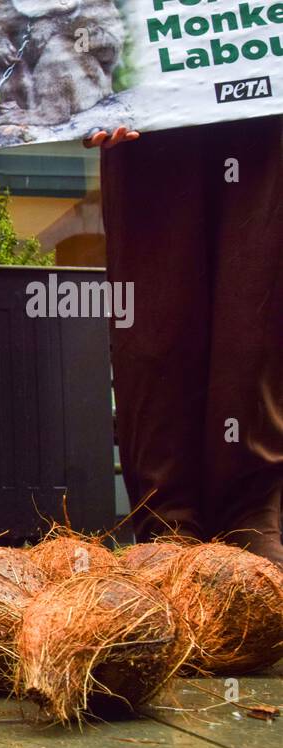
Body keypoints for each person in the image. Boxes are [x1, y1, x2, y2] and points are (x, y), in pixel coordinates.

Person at [86, 119, 283, 567]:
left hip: (264, 87)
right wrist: (85, 104)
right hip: (148, 100)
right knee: (155, 316)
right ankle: (168, 518)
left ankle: (249, 515)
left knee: (256, 300)